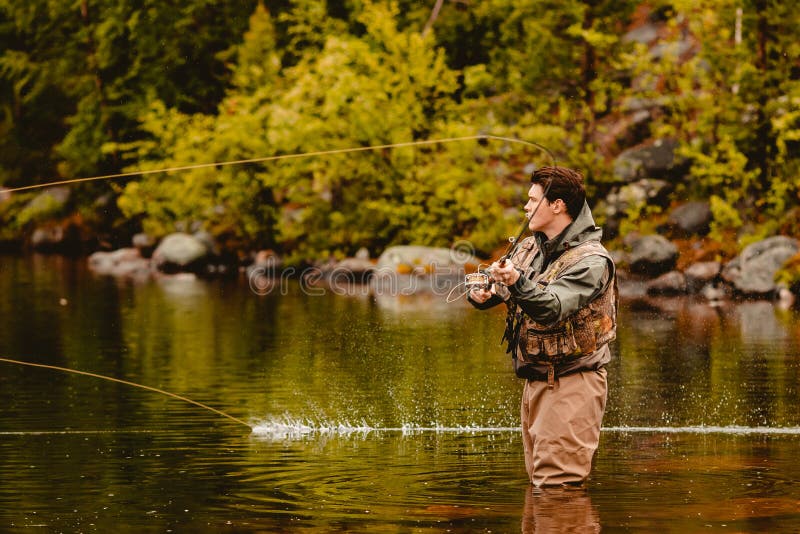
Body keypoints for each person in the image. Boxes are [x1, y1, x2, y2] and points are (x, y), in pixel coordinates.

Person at [468, 166, 617, 487]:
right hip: (536, 382)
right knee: (541, 485)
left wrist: (517, 282)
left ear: (557, 205)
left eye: (533, 199)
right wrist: (483, 293)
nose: (525, 207)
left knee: (558, 487)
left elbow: (552, 308)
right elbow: (504, 290)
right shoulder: (531, 248)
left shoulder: (591, 261)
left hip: (572, 384)